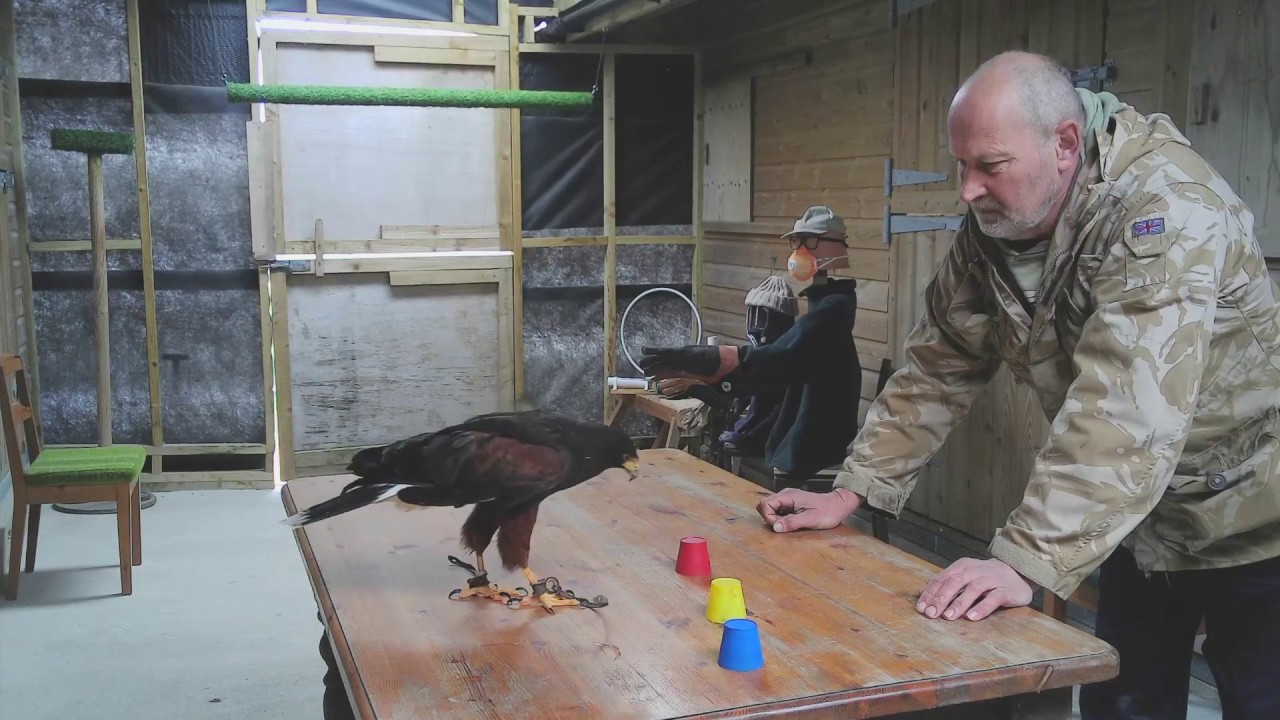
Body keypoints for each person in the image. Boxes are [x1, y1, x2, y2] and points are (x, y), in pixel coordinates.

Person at [754, 50, 1280, 718]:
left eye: (989, 166)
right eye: (962, 165)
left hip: (1256, 519)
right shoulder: (997, 227)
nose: (969, 189)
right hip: (1135, 521)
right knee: (1125, 705)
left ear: (1063, 144)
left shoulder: (1165, 210)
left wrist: (1024, 561)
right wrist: (855, 488)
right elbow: (938, 365)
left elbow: (1127, 407)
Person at [639, 205, 863, 483]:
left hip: (816, 438)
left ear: (834, 246)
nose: (800, 250)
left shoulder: (832, 310)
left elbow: (782, 357)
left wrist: (714, 362)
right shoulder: (826, 305)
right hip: (801, 433)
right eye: (796, 241)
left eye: (810, 241)